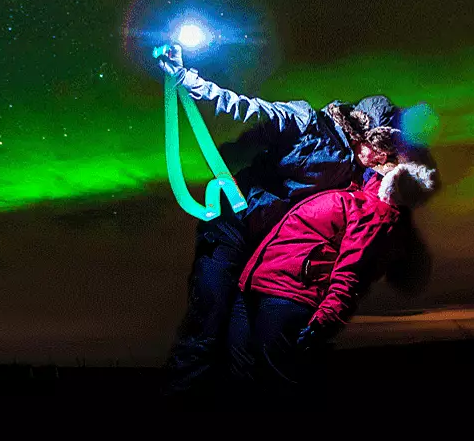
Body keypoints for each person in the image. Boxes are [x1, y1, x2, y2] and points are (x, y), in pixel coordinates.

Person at [153, 42, 420, 395]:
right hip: (231, 227)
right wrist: (188, 79)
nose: (381, 156)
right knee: (206, 326)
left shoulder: (358, 174)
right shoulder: (307, 122)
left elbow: (383, 206)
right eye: (380, 146)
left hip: (262, 250)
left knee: (240, 346)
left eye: (388, 151)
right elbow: (246, 110)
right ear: (361, 130)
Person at [227, 140, 438, 400]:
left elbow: (352, 274)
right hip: (256, 284)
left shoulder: (378, 212)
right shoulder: (354, 192)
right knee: (241, 380)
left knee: (275, 387)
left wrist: (325, 321)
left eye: (383, 156)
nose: (372, 155)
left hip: (286, 296)